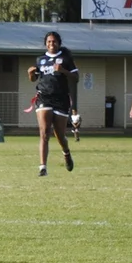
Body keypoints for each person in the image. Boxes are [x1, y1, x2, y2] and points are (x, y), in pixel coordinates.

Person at [28, 31, 77, 177]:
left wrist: (63, 71)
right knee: (44, 132)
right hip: (44, 97)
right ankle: (42, 167)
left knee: (60, 135)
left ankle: (66, 153)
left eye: (54, 41)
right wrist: (30, 74)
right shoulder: (40, 59)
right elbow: (34, 79)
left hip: (61, 99)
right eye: (49, 41)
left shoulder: (65, 59)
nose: (51, 44)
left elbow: (76, 77)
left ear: (59, 43)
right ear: (45, 43)